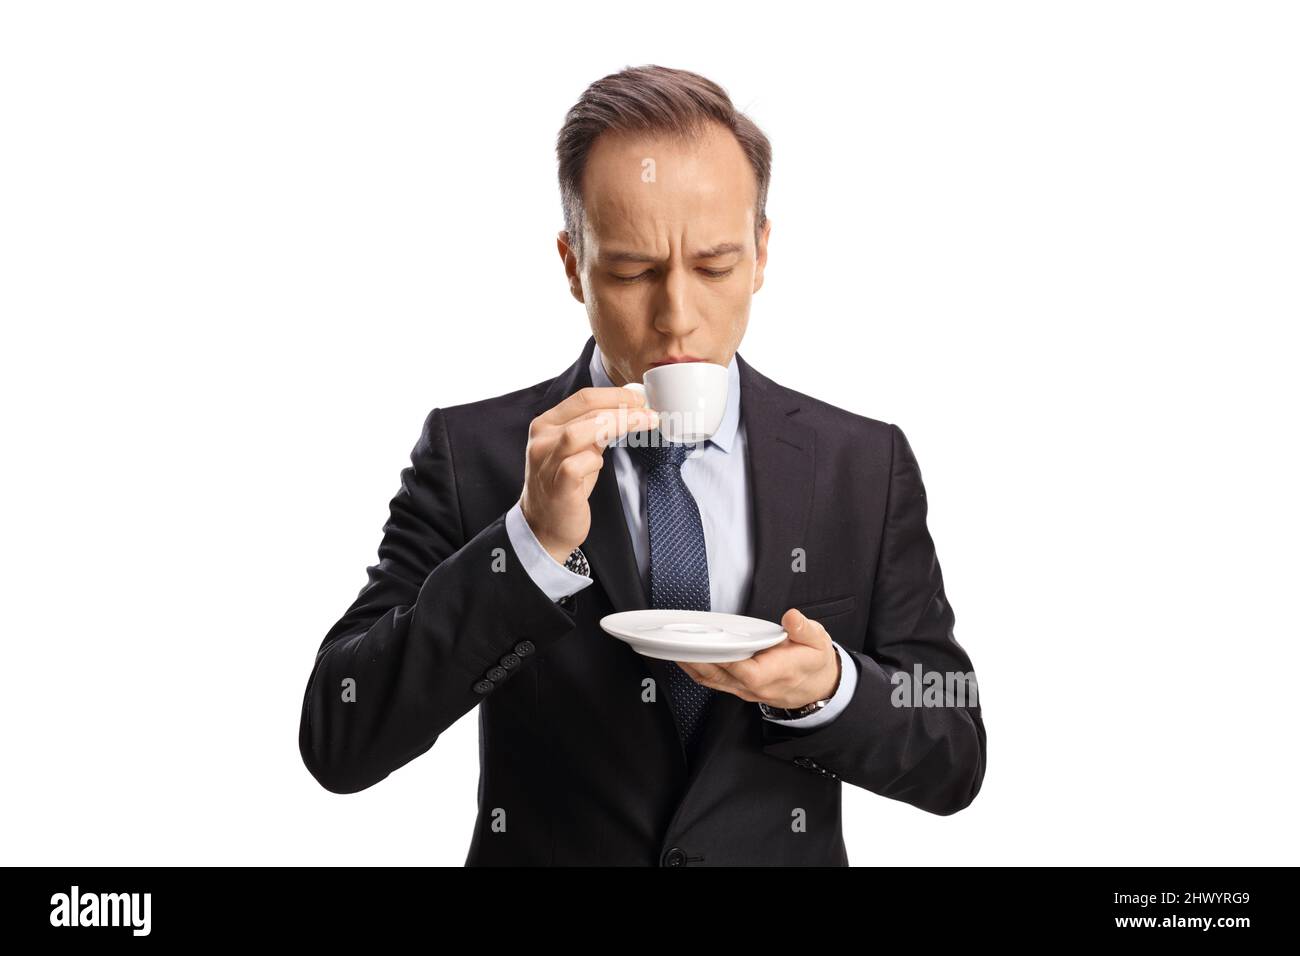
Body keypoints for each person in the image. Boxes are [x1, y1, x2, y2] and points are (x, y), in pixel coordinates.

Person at [298, 64, 986, 866]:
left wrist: (831, 689)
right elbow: (339, 737)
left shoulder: (861, 467)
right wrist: (527, 546)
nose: (678, 317)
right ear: (571, 264)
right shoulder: (473, 455)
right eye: (632, 272)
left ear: (762, 253)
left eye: (715, 265)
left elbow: (954, 746)